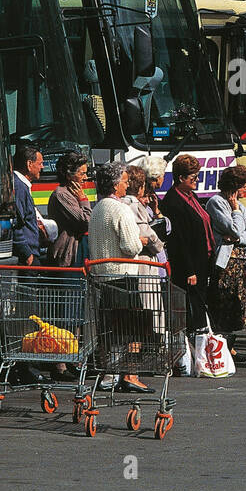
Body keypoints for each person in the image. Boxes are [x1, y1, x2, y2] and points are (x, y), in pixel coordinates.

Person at [88, 160, 152, 392]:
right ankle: (130, 374)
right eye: (124, 181)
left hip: (103, 276)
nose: (127, 186)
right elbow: (130, 246)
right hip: (123, 274)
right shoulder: (120, 209)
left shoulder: (97, 209)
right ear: (115, 185)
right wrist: (141, 241)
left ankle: (108, 374)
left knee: (109, 329)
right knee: (134, 328)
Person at [206, 165, 246, 362]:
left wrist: (238, 238)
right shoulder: (216, 203)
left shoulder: (243, 208)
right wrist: (236, 213)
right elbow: (234, 228)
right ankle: (222, 345)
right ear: (234, 187)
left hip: (243, 261)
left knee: (239, 304)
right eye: (243, 187)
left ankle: (231, 344)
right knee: (225, 301)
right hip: (227, 263)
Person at [161, 154, 214, 343]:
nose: (197, 181)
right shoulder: (173, 202)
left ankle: (204, 343)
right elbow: (179, 241)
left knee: (200, 305)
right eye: (193, 177)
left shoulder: (191, 196)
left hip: (202, 260)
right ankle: (196, 346)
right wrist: (190, 270)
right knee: (192, 308)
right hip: (190, 265)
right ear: (181, 178)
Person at [47, 149, 91, 267]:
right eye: (82, 173)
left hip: (77, 250)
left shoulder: (73, 193)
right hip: (68, 254)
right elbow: (86, 221)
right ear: (68, 175)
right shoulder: (62, 195)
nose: (86, 177)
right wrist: (83, 200)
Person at [12, 143, 49, 265]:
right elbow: (16, 223)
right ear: (29, 164)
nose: (42, 167)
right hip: (27, 257)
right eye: (40, 163)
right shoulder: (19, 187)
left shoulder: (21, 186)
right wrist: (27, 254)